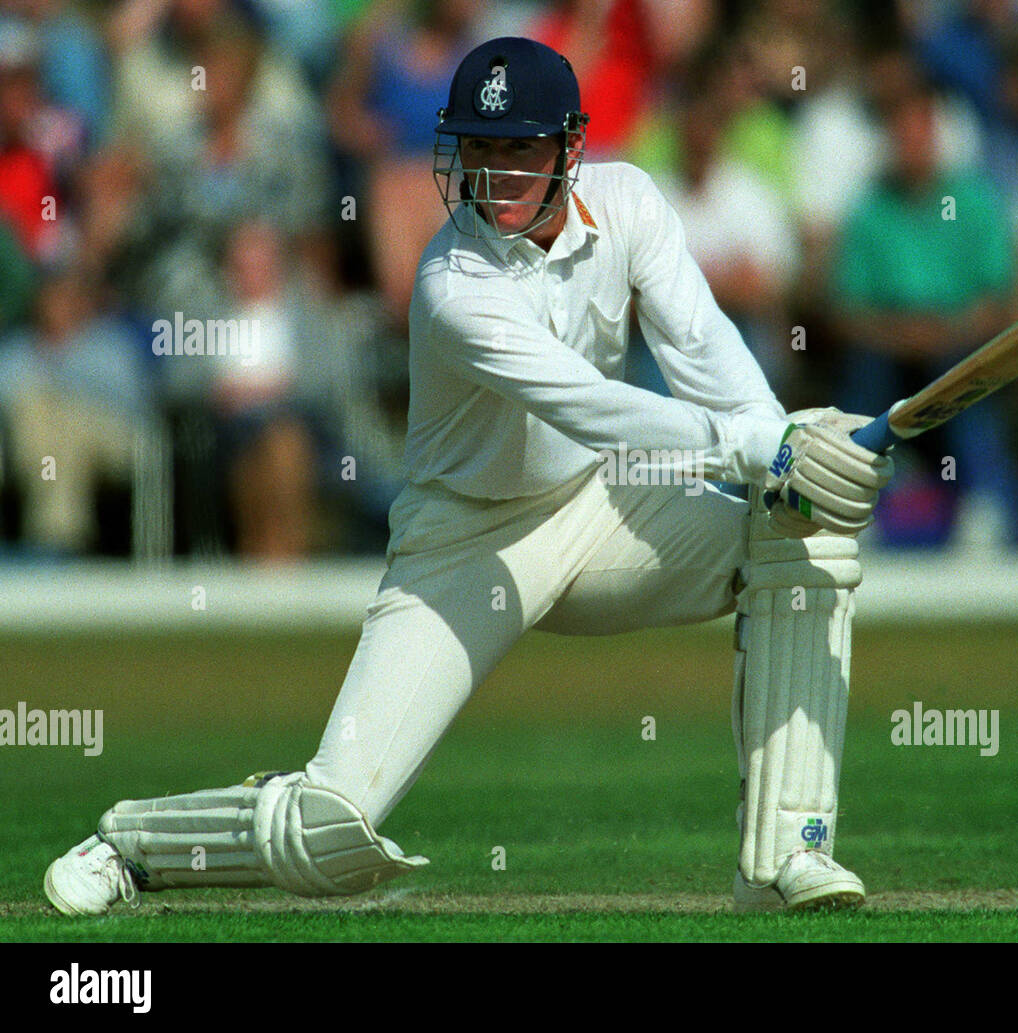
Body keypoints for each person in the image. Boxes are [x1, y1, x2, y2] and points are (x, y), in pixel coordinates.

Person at [43, 37, 893, 916]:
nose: (495, 173)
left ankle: (787, 853)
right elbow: (587, 403)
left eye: (519, 147)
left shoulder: (632, 200)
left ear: (570, 145)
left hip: (600, 507)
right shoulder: (454, 283)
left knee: (803, 532)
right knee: (331, 826)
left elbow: (703, 346)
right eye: (479, 148)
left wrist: (779, 453)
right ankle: (131, 844)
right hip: (464, 541)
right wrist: (761, 450)